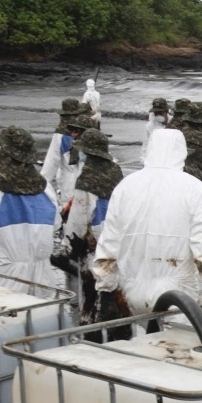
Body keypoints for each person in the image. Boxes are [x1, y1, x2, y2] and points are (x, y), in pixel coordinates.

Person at [92, 128, 202, 318]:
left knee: (142, 339)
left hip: (132, 289)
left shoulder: (125, 187)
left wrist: (106, 291)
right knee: (173, 343)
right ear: (181, 152)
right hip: (178, 292)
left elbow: (110, 242)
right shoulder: (195, 188)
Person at [0, 125, 60, 290]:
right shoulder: (45, 187)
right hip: (44, 271)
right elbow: (56, 224)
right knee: (46, 312)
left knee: (16, 314)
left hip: (10, 272)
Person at [63, 128, 123, 315]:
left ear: (87, 152)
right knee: (117, 293)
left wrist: (69, 248)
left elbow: (78, 225)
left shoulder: (87, 178)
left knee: (92, 296)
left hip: (94, 246)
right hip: (117, 241)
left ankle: (92, 333)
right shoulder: (115, 171)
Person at [40, 97, 83, 203]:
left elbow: (52, 161)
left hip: (68, 182)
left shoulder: (60, 134)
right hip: (86, 183)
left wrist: (41, 185)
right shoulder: (86, 130)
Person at [143, 96, 169, 161]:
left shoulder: (174, 122)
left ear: (166, 111)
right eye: (156, 112)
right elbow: (146, 144)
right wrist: (144, 159)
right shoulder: (150, 126)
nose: (157, 115)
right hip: (157, 156)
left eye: (160, 112)